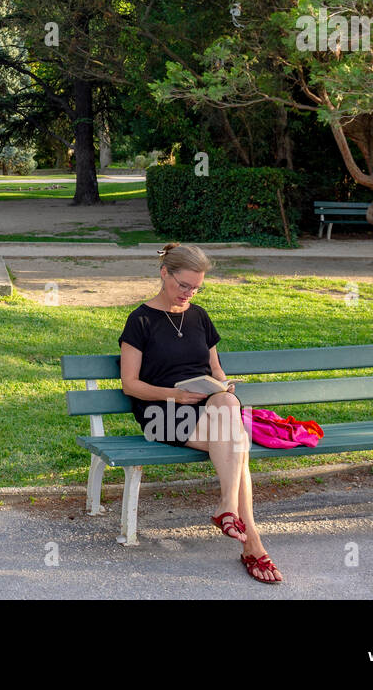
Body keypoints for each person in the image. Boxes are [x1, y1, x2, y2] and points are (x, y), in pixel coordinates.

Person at [118, 243, 282, 584]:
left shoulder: (199, 316)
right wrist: (175, 395)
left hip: (208, 411)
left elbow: (215, 369)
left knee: (229, 407)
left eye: (197, 288)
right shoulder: (140, 321)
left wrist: (224, 386)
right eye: (184, 286)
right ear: (165, 274)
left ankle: (228, 509)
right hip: (161, 414)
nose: (189, 293)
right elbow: (131, 385)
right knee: (238, 446)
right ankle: (251, 541)